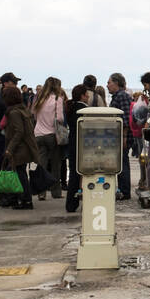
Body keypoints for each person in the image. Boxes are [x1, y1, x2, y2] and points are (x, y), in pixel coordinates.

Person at [1, 86, 41, 210]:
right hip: (25, 147)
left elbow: (19, 132)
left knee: (20, 174)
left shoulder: (13, 113)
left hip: (19, 149)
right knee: (20, 173)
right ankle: (19, 199)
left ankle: (25, 200)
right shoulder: (23, 109)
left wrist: (10, 149)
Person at [31, 77, 66, 201]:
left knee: (41, 164)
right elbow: (60, 118)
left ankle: (41, 191)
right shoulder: (58, 99)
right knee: (56, 164)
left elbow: (34, 115)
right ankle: (56, 191)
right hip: (52, 134)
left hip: (38, 134)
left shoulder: (39, 99)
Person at [106, 73, 133, 200]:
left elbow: (126, 118)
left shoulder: (122, 96)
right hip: (117, 135)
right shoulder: (117, 96)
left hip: (122, 136)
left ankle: (124, 191)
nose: (107, 85)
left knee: (122, 163)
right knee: (120, 162)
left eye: (109, 82)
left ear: (116, 83)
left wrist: (124, 137)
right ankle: (122, 190)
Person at [63, 84, 90, 213]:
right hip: (83, 144)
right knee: (86, 172)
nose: (89, 96)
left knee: (74, 173)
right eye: (87, 94)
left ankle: (71, 203)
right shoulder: (84, 109)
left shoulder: (70, 108)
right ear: (82, 96)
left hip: (72, 142)